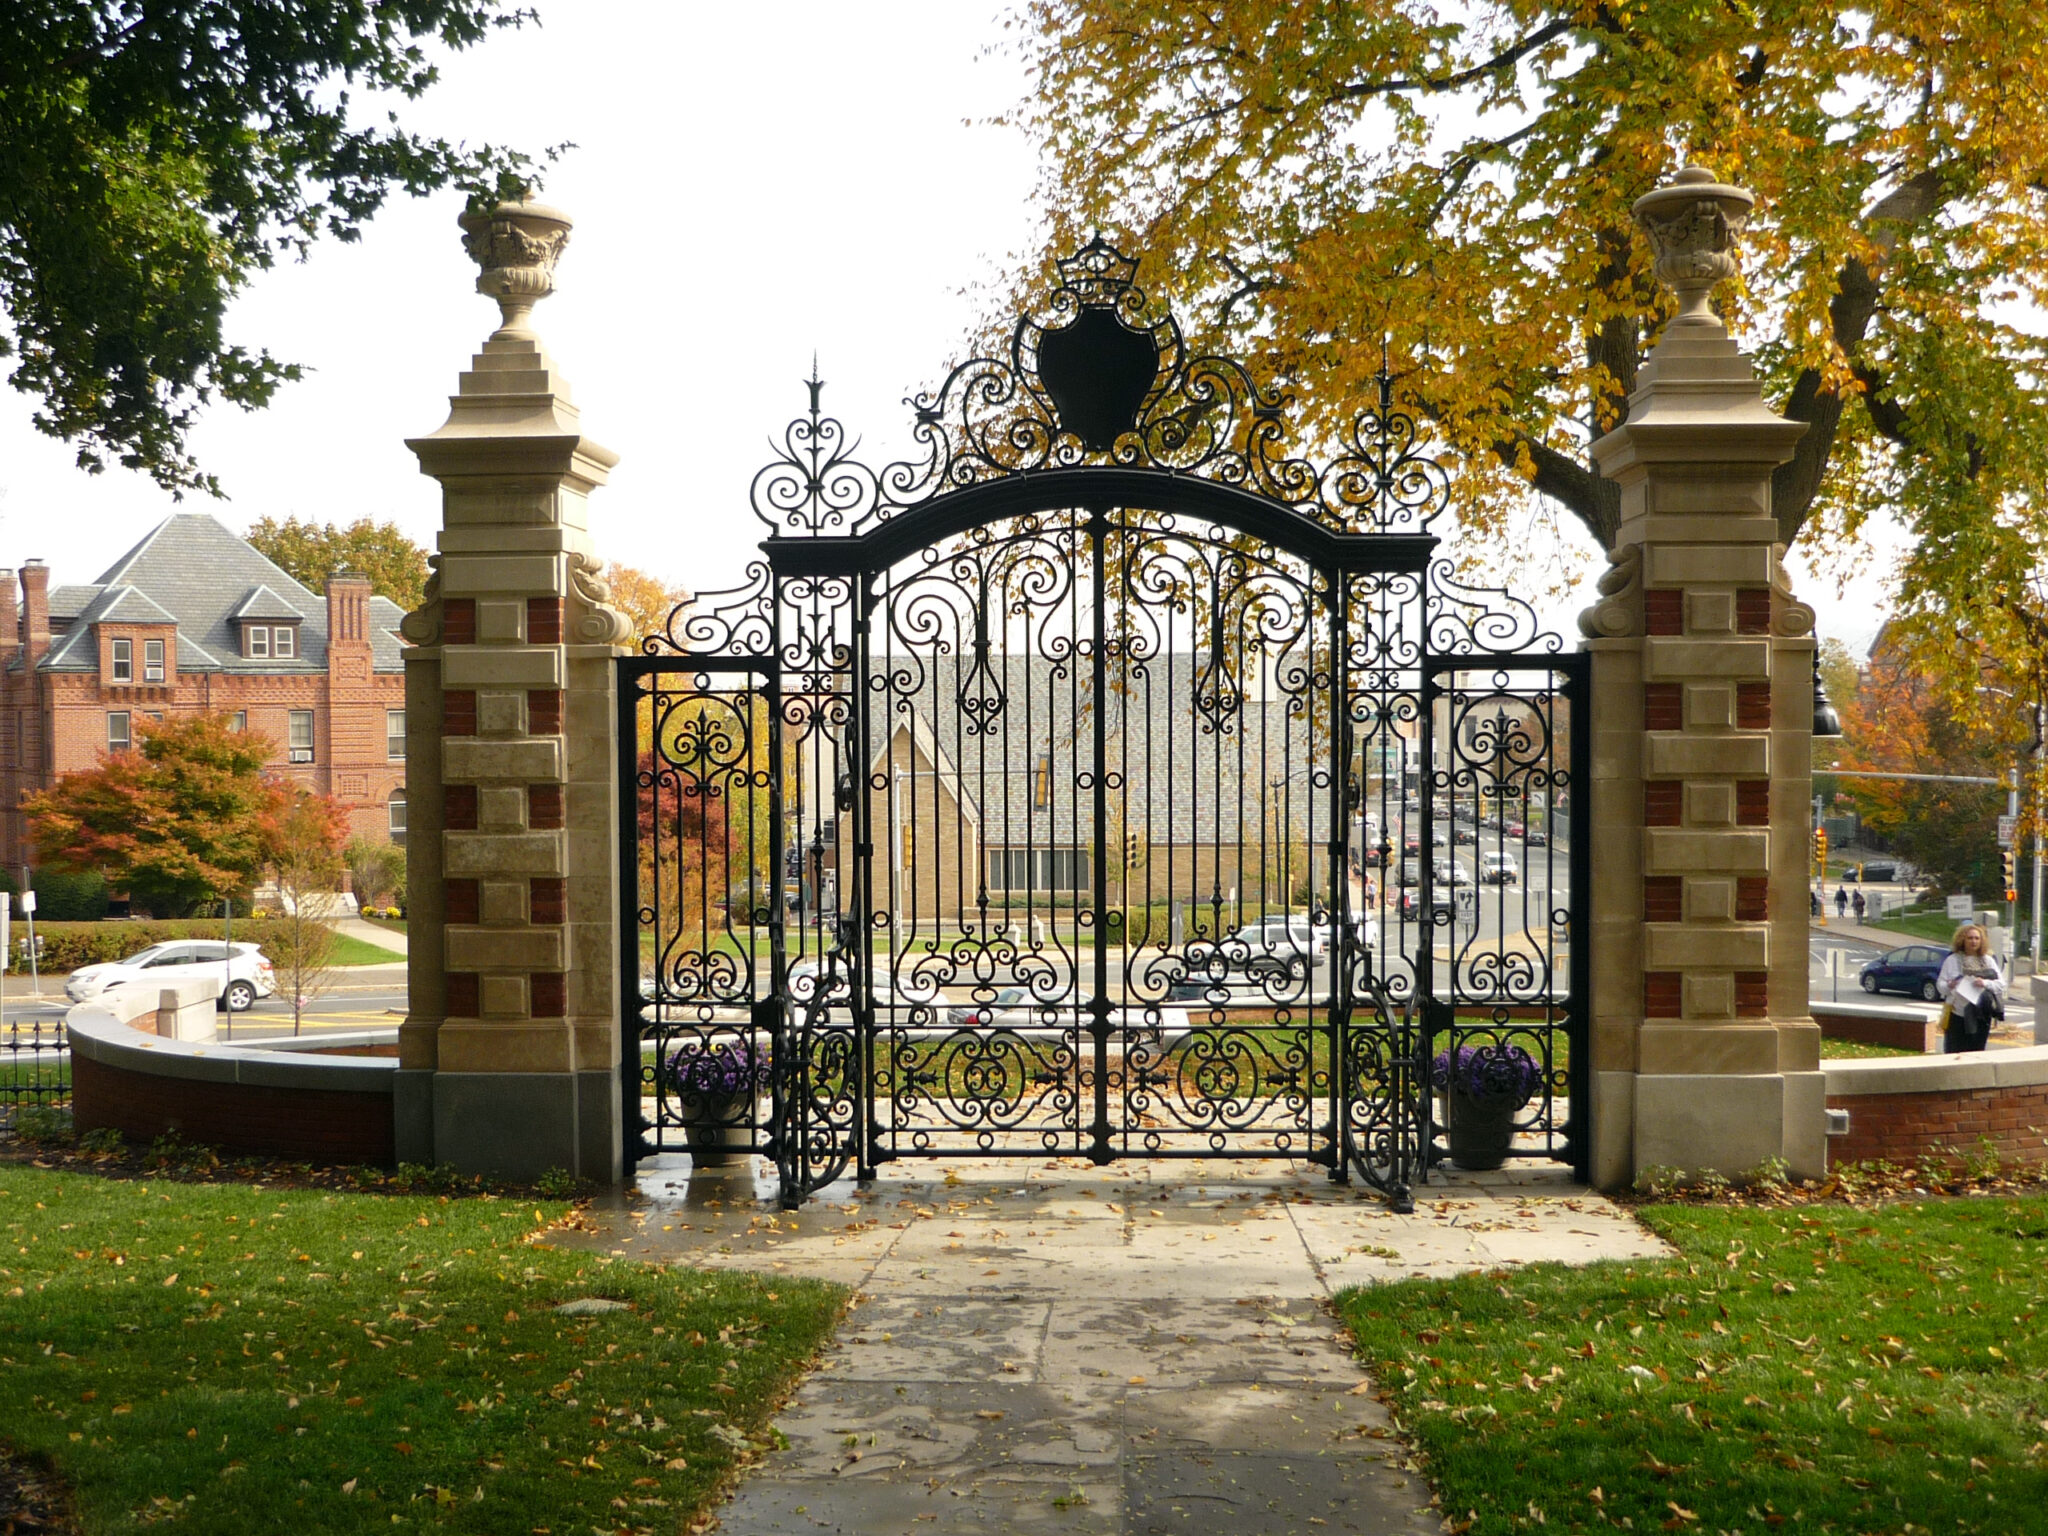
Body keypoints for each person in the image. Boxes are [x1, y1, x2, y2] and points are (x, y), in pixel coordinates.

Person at [1937, 924, 2004, 1054]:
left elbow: (2001, 984)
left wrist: (1984, 983)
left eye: (1977, 938)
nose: (1973, 941)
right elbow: (1940, 985)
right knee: (1954, 1052)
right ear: (1962, 939)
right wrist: (1950, 985)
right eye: (1970, 938)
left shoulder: (1988, 960)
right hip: (1957, 1014)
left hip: (1981, 1015)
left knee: (1976, 1053)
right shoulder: (1952, 960)